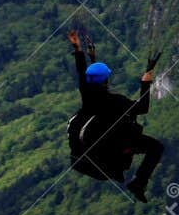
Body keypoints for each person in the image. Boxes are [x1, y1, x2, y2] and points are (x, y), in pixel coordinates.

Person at [67, 30, 163, 202]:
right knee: (155, 148)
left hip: (87, 153)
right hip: (110, 152)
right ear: (106, 81)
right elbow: (143, 107)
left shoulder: (87, 94)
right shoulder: (116, 102)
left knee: (130, 137)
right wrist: (146, 80)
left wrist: (81, 50)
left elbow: (83, 74)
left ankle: (135, 180)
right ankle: (138, 183)